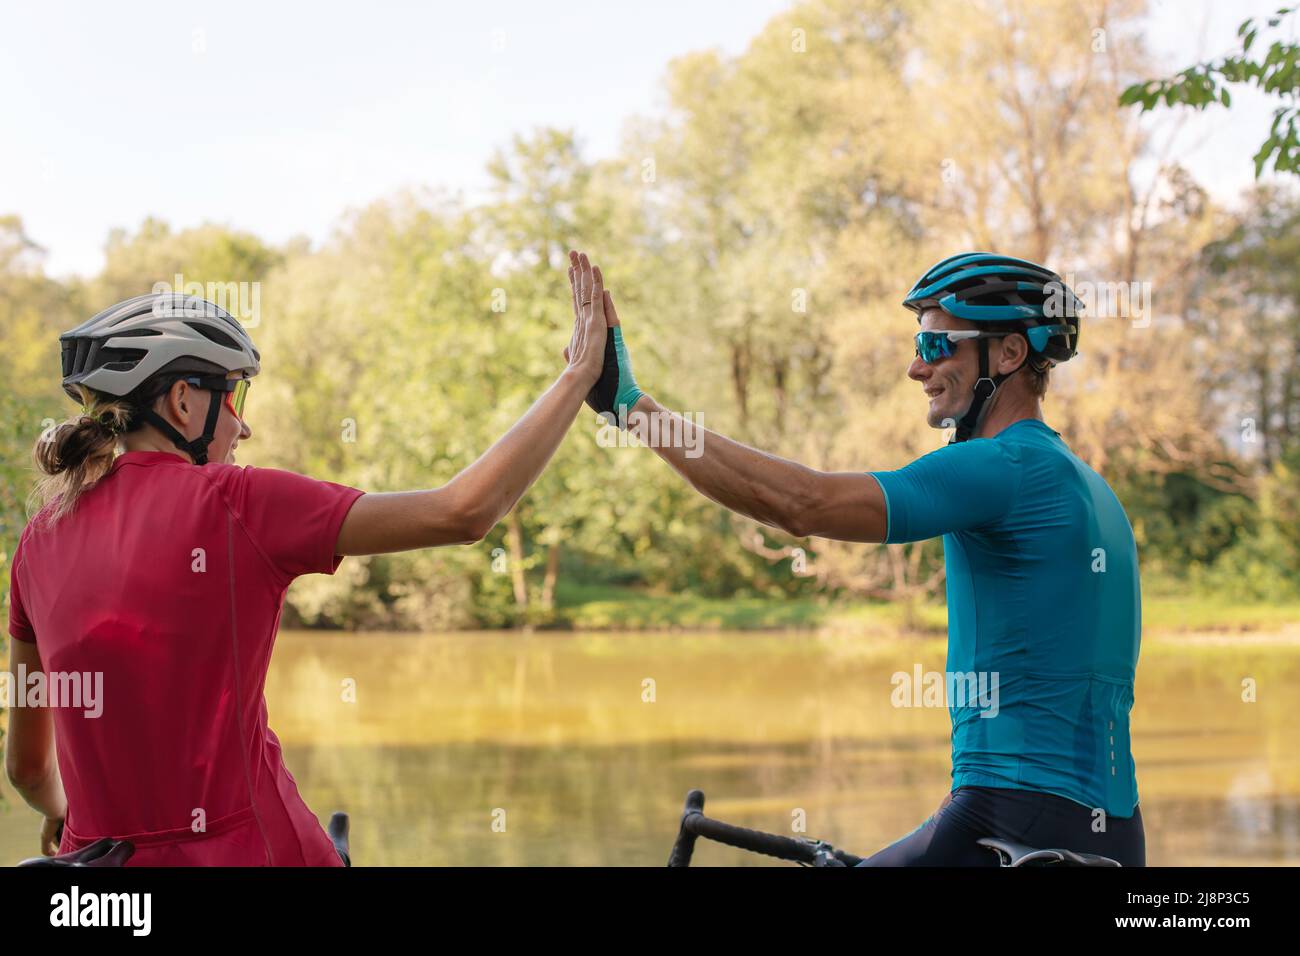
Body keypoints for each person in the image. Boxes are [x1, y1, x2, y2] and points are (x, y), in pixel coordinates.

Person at [3, 252, 614, 865]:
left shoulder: (38, 539)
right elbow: (463, 511)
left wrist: (72, 818)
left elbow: (29, 768)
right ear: (183, 401)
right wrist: (578, 376)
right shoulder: (238, 503)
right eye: (234, 396)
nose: (243, 429)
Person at [577, 250, 1145, 866]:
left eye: (936, 347)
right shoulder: (1095, 491)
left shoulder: (1002, 467)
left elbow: (801, 503)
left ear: (1009, 354)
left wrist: (631, 407)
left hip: (1010, 824)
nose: (914, 368)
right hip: (1112, 832)